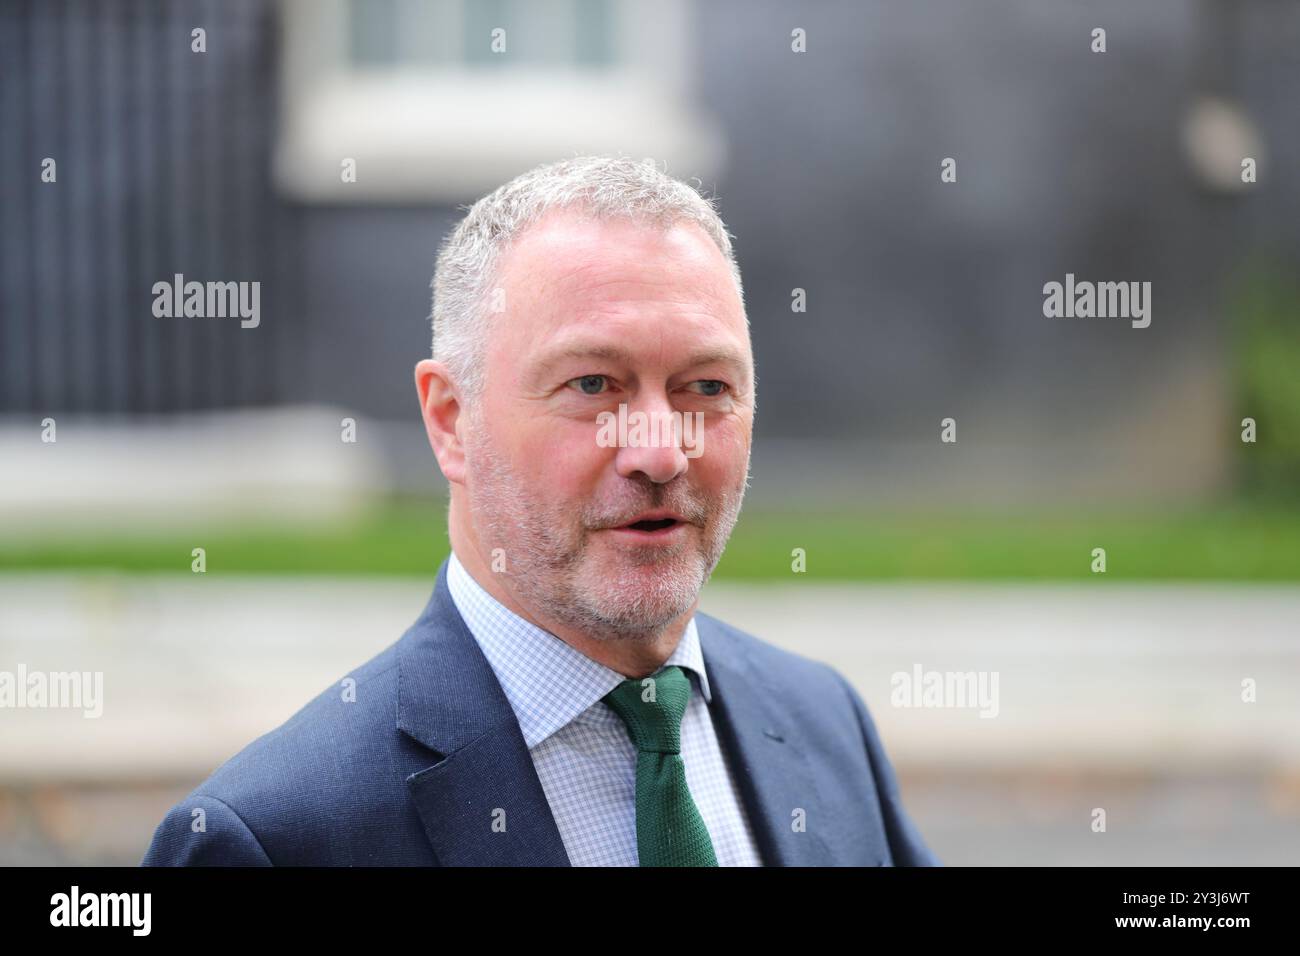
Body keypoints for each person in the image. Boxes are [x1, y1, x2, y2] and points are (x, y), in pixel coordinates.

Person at [142, 156, 939, 866]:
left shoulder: (823, 723)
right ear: (451, 421)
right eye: (594, 385)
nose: (660, 451)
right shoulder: (277, 840)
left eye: (707, 387)